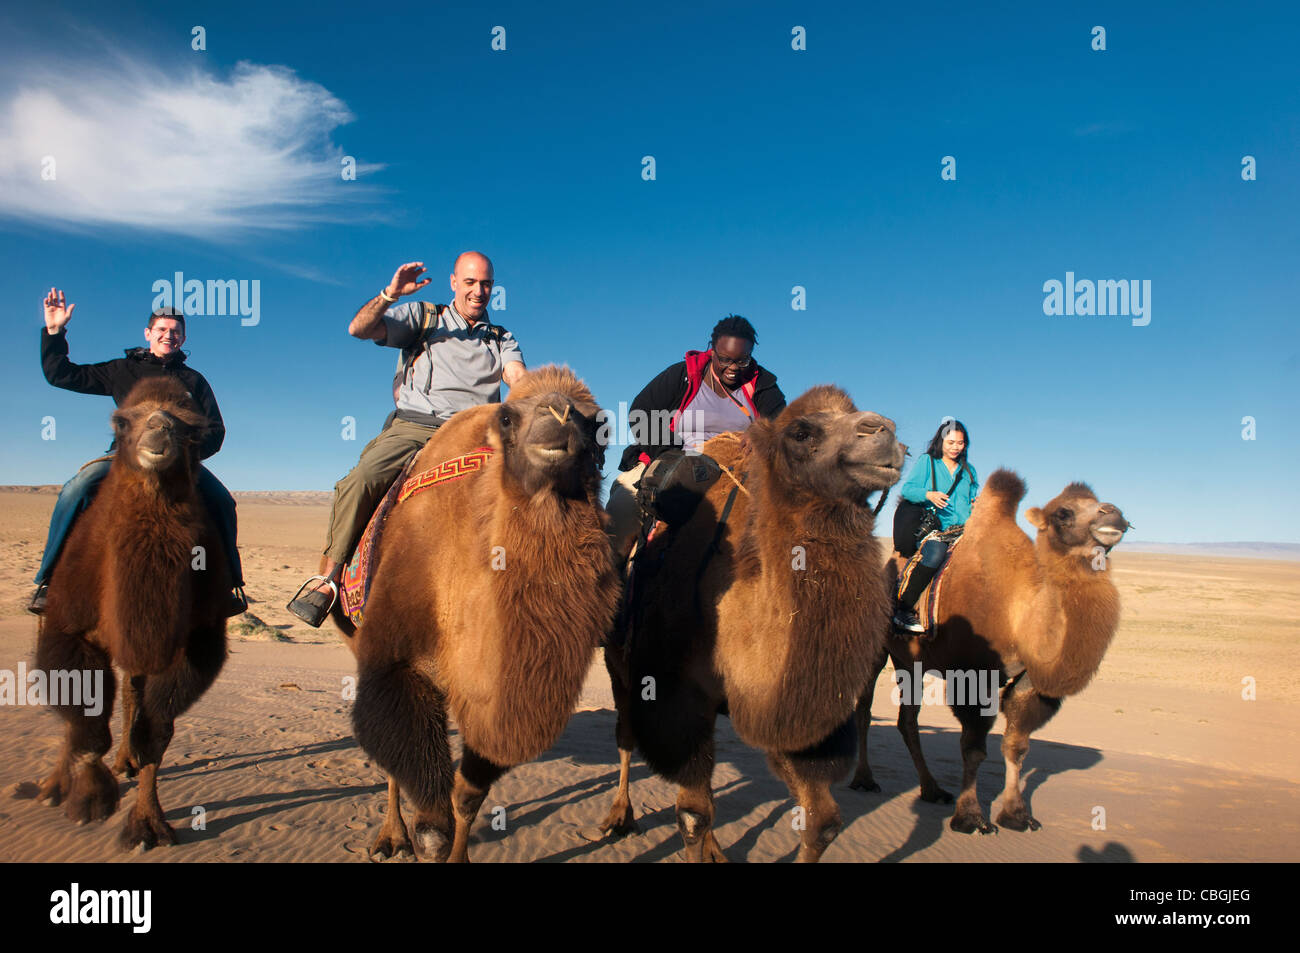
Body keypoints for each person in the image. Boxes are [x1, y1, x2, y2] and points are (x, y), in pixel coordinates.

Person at [287, 252, 526, 627]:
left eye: (486, 284)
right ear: (453, 282)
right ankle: (329, 580)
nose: (478, 292)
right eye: (470, 283)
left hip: (480, 433)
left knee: (536, 489)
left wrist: (540, 396)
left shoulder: (501, 337)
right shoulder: (424, 317)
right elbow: (360, 329)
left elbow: (517, 376)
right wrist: (389, 295)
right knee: (363, 478)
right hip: (418, 426)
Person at [30, 289, 246, 616]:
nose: (168, 336)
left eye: (174, 331)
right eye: (161, 330)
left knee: (222, 501)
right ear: (148, 334)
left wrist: (185, 456)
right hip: (125, 458)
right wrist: (54, 331)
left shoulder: (194, 381)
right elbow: (62, 374)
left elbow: (216, 430)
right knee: (78, 488)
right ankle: (50, 579)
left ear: (183, 337)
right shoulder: (122, 370)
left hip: (180, 463)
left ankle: (229, 585)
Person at [606, 315, 786, 561]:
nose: (733, 368)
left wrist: (763, 432)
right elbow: (641, 412)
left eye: (742, 360)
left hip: (737, 469)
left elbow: (782, 422)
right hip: (672, 460)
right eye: (725, 359)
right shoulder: (682, 375)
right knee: (620, 517)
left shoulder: (762, 383)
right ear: (712, 350)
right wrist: (669, 453)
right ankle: (613, 584)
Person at [892, 417, 979, 633]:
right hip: (935, 529)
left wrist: (976, 505)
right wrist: (928, 495)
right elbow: (908, 490)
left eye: (960, 443)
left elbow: (971, 499)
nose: (955, 447)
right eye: (951, 442)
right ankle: (903, 610)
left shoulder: (969, 471)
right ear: (941, 442)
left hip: (963, 531)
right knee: (934, 555)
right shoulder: (927, 462)